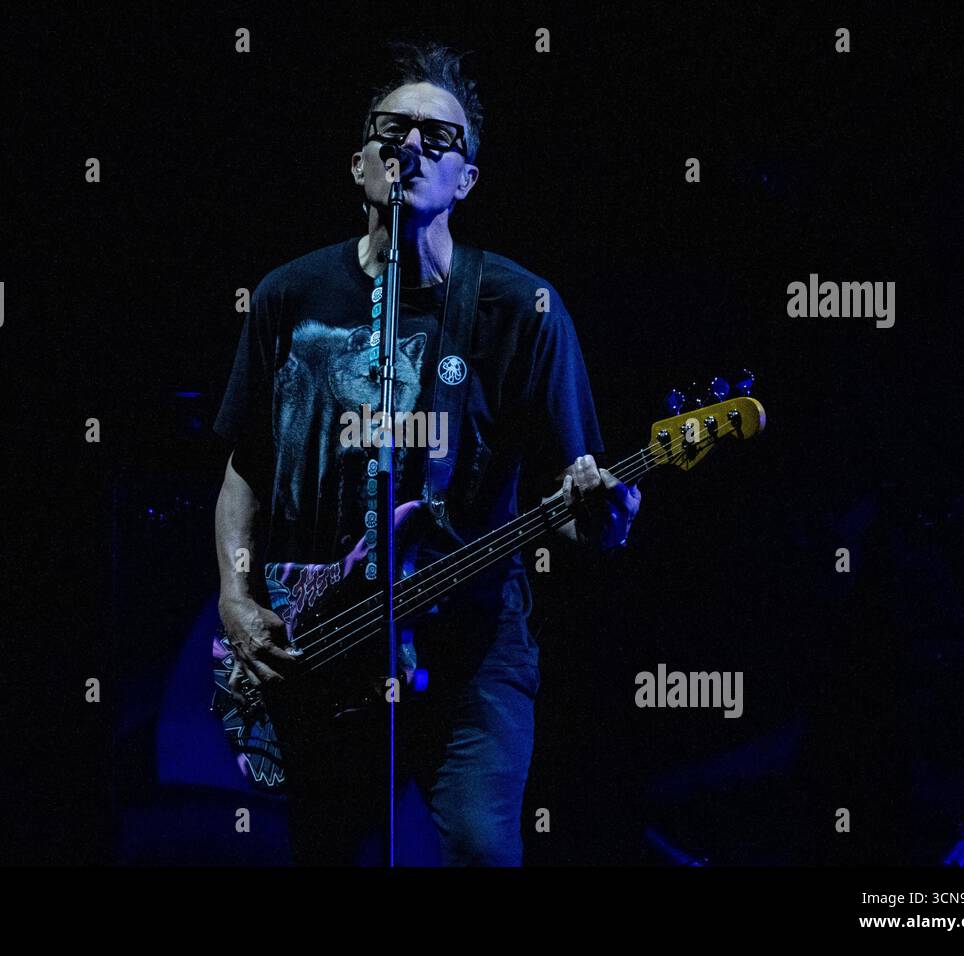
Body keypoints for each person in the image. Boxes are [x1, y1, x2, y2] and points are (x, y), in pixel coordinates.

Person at [212, 40, 640, 865]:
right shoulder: (287, 297)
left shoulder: (524, 309)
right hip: (322, 639)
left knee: (483, 851)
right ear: (360, 162)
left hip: (471, 645)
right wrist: (235, 595)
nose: (411, 145)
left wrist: (607, 514)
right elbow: (243, 469)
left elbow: (580, 505)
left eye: (438, 138)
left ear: (467, 179)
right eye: (393, 130)